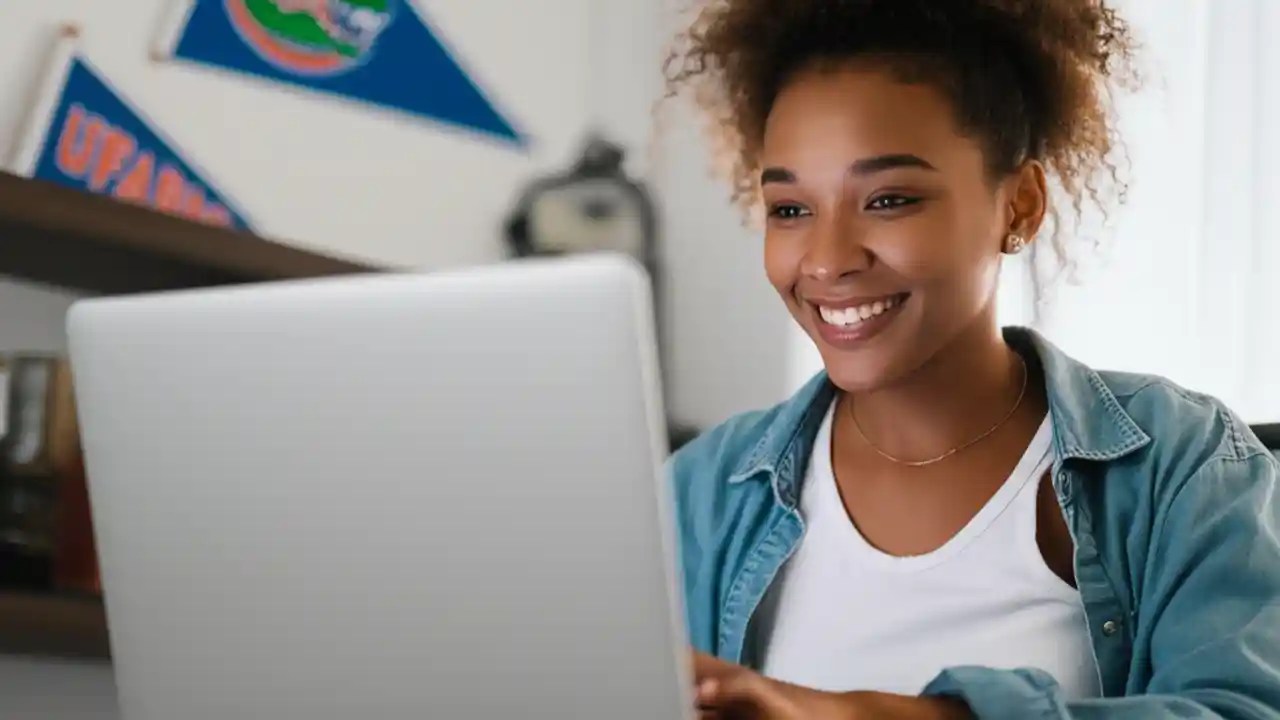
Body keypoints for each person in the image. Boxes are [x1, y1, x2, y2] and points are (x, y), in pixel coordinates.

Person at [662, 1, 1280, 718]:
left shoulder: (1187, 468)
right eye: (790, 210)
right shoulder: (697, 496)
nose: (827, 261)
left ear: (1018, 205)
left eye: (889, 199)